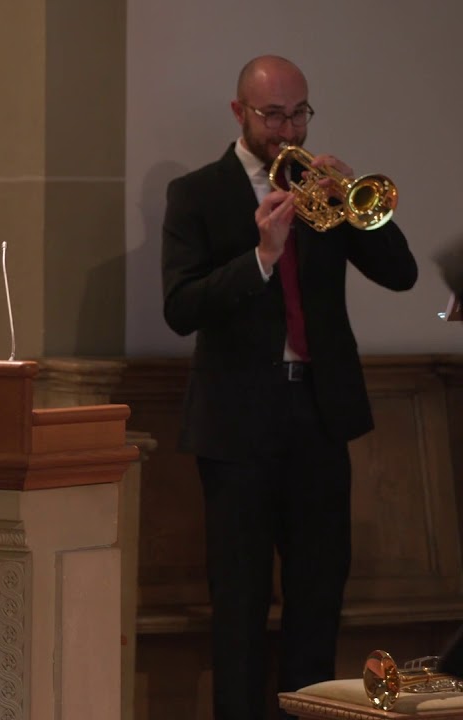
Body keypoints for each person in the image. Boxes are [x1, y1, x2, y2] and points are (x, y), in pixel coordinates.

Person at [161, 56, 417, 720]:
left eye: (300, 112)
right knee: (240, 606)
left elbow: (403, 274)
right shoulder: (198, 194)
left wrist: (355, 196)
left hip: (318, 415)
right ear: (239, 112)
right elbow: (181, 306)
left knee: (317, 601)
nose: (288, 129)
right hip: (236, 428)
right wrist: (262, 257)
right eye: (274, 114)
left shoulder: (322, 187)